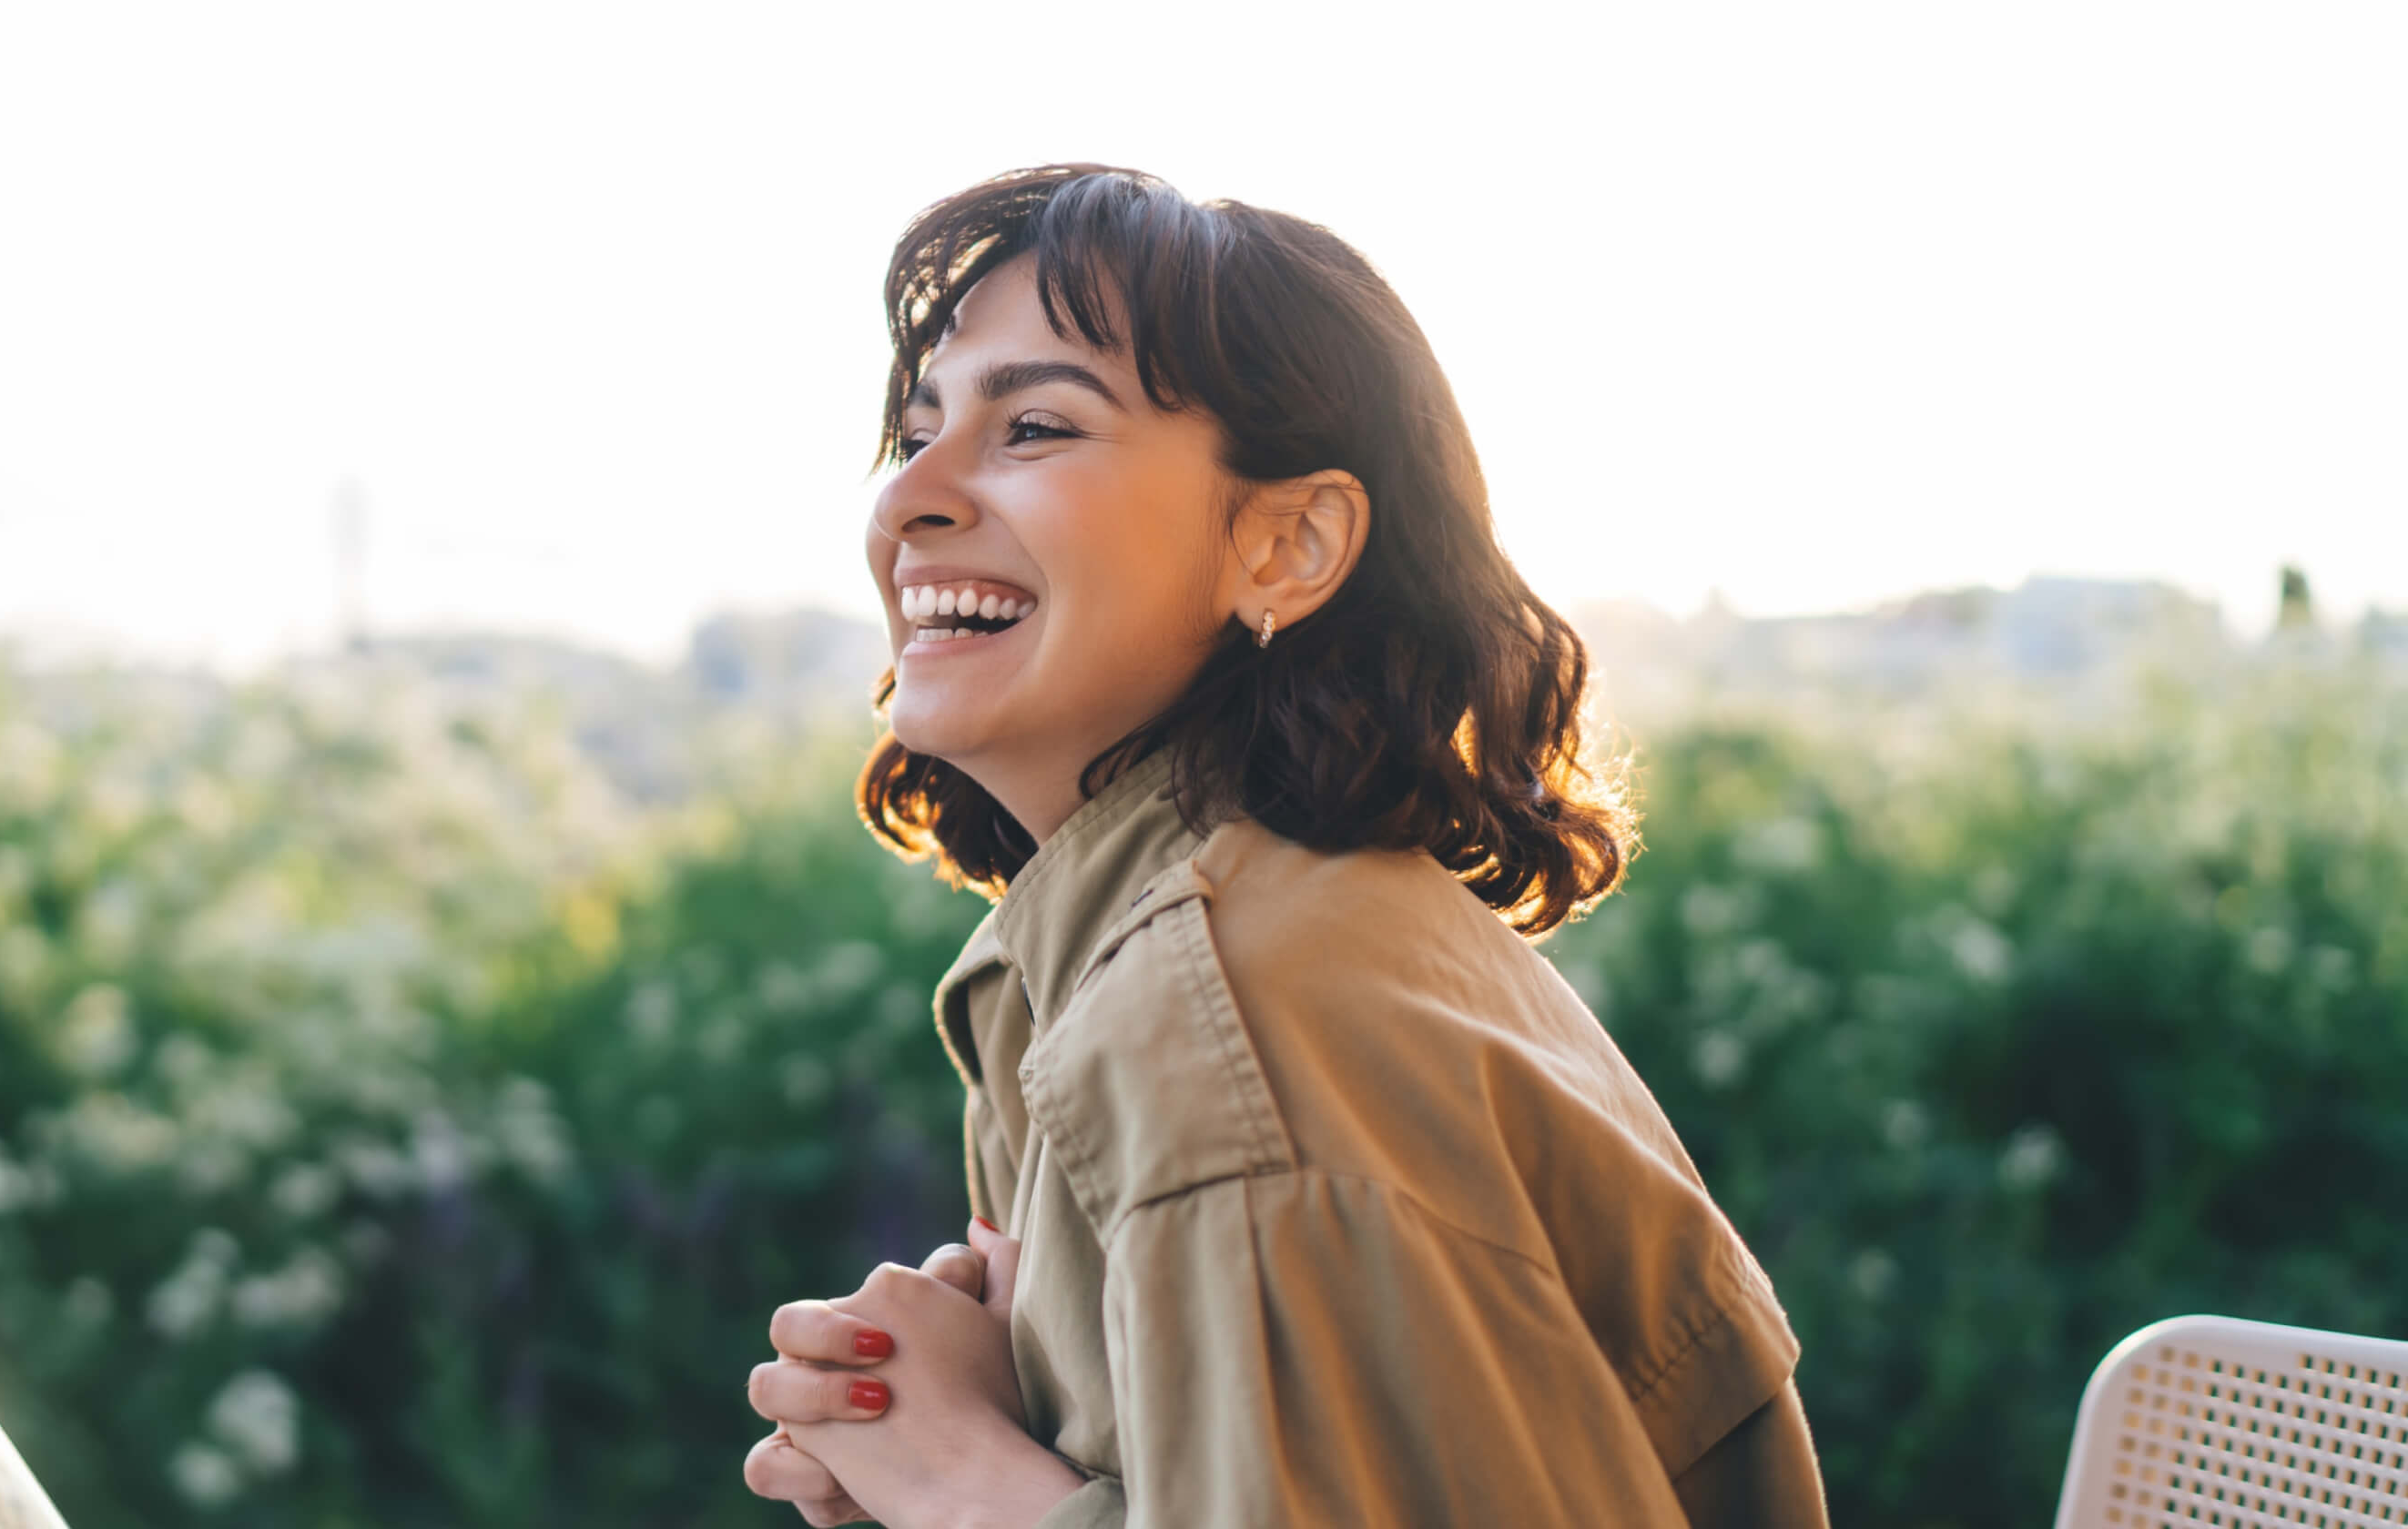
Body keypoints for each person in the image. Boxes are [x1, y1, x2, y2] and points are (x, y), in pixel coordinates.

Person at [736, 165, 1827, 1527]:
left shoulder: (1226, 1022)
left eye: (1034, 426)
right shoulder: (1207, 941)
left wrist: (962, 1484)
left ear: (1288, 546)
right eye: (917, 431)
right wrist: (980, 1424)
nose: (910, 502)